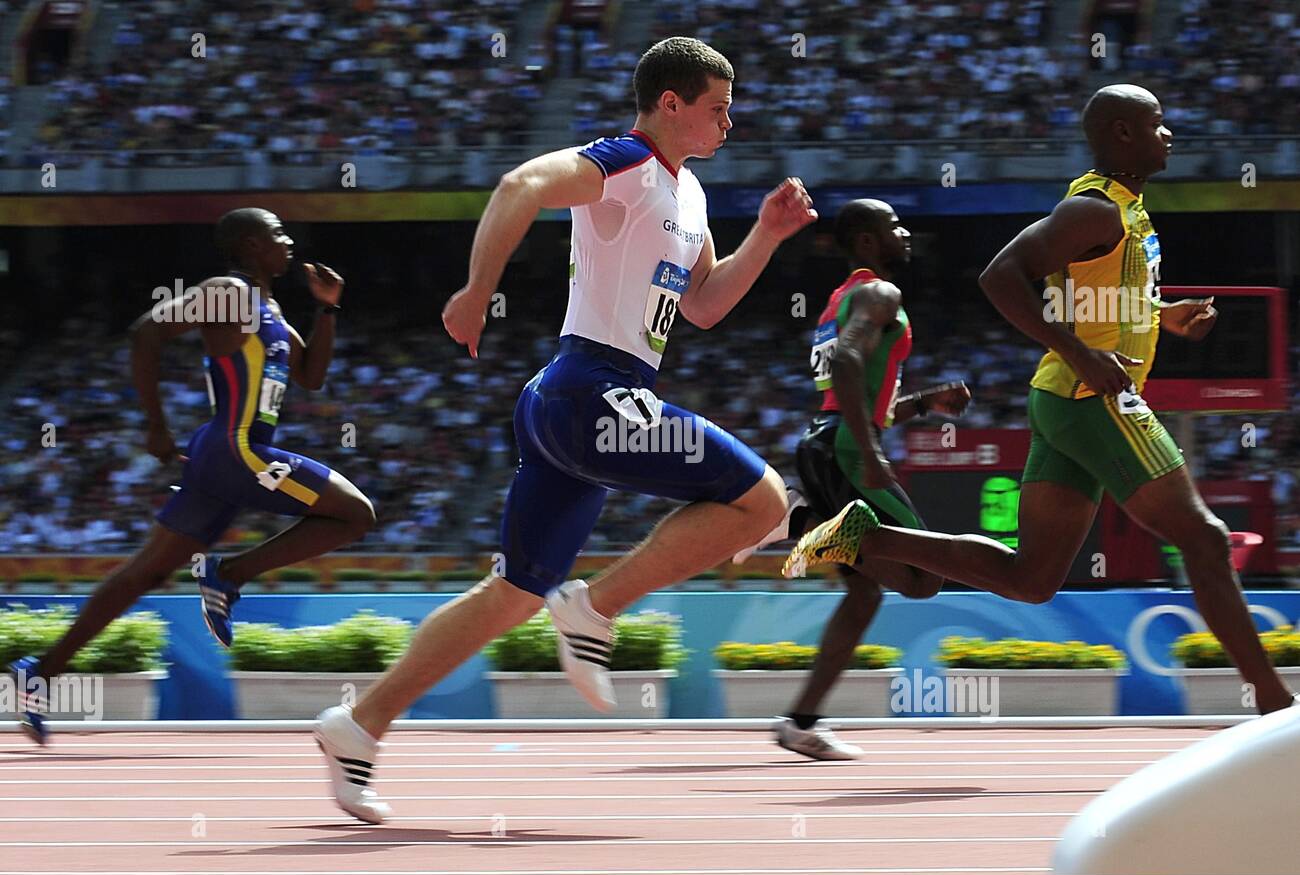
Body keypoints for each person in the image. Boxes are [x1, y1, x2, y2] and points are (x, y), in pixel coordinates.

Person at [312, 37, 817, 823]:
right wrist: (476, 291)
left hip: (574, 407)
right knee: (763, 501)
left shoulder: (689, 194)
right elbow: (520, 184)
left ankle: (359, 724)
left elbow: (705, 305)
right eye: (718, 108)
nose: (730, 122)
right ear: (671, 104)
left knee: (514, 594)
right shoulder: (624, 161)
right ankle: (595, 607)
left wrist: (767, 236)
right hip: (591, 395)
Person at [785, 86, 1296, 716]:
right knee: (1207, 540)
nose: (1169, 135)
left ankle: (868, 537)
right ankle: (1276, 707)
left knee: (1030, 578)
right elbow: (1000, 276)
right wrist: (1081, 355)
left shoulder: (1123, 210)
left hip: (1061, 400)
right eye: (1158, 123)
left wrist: (1163, 315)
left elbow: (1093, 300)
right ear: (1122, 133)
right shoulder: (1094, 209)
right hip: (1092, 397)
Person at [7, 208, 375, 744]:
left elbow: (311, 376)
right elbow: (146, 333)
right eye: (277, 234)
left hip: (222, 459)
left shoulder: (270, 309)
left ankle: (39, 673)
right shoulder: (228, 292)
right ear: (251, 246)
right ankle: (229, 574)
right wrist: (155, 425)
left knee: (143, 574)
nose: (289, 241)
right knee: (356, 514)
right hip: (237, 450)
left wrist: (327, 308)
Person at [769, 200, 970, 759]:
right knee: (925, 577)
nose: (905, 234)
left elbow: (853, 392)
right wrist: (869, 448)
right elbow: (847, 364)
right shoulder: (880, 292)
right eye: (893, 227)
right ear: (865, 242)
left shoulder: (838, 300)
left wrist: (924, 403)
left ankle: (801, 722)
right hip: (845, 448)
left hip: (822, 442)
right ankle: (798, 523)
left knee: (863, 595)